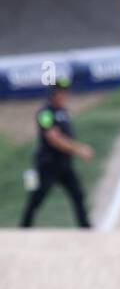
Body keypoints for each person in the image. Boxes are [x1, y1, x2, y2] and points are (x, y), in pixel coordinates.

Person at [20, 77, 93, 229]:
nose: (64, 95)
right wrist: (79, 149)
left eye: (65, 92)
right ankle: (24, 228)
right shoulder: (45, 114)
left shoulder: (63, 112)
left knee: (77, 193)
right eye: (60, 92)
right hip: (47, 164)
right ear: (53, 94)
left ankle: (85, 227)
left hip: (64, 164)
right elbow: (54, 138)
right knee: (37, 197)